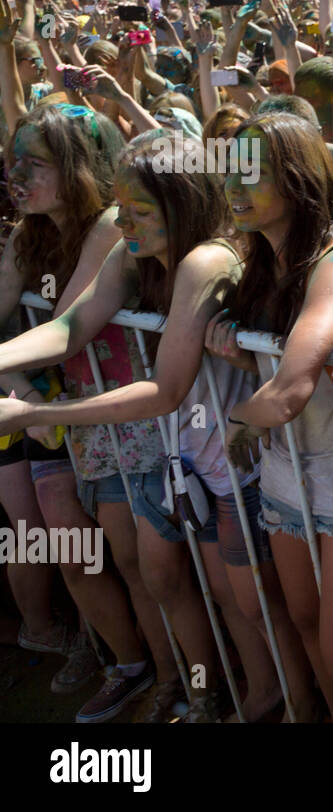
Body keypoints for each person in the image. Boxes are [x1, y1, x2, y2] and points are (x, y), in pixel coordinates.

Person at [0, 133, 314, 722]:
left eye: (140, 210)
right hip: (187, 456)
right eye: (120, 206)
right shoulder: (133, 251)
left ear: (182, 202)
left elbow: (164, 390)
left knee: (254, 603)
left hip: (239, 461)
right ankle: (241, 697)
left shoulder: (206, 259)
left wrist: (36, 413)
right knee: (208, 589)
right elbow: (69, 329)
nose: (123, 220)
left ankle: (291, 704)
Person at [205, 112, 333, 722]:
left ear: (295, 179)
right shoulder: (263, 260)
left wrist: (239, 421)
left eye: (254, 174)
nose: (235, 188)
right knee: (305, 622)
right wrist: (246, 353)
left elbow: (291, 389)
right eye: (229, 174)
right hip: (285, 470)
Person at [0, 103, 173, 722]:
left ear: (76, 167)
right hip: (59, 417)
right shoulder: (29, 233)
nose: (15, 175)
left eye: (33, 163)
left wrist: (20, 387)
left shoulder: (110, 226)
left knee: (142, 562)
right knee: (75, 550)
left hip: (126, 415)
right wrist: (19, 383)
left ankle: (178, 677)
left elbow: (67, 328)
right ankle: (124, 663)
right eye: (13, 159)